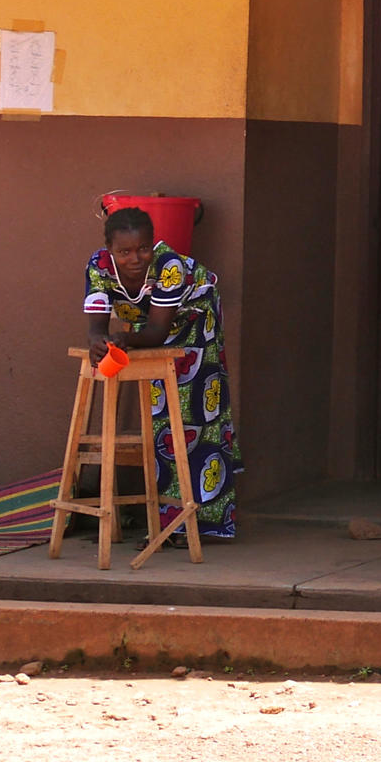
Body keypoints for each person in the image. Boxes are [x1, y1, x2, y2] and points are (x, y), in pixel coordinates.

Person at [82, 207, 241, 541]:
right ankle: (170, 522)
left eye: (142, 248)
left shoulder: (169, 267)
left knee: (197, 418)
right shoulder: (98, 267)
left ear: (152, 244)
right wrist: (99, 342)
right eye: (124, 252)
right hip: (148, 331)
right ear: (110, 250)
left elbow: (155, 331)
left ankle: (207, 523)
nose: (135, 258)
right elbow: (96, 326)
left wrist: (123, 338)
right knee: (162, 420)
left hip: (196, 323)